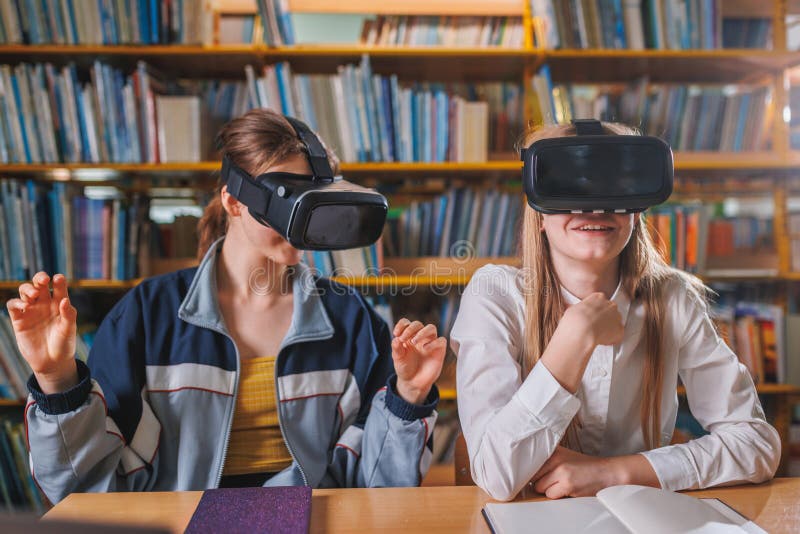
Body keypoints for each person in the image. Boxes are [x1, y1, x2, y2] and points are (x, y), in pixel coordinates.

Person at [7, 108, 446, 504]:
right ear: (233, 201)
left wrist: (408, 397)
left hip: (313, 520)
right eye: (285, 202)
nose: (301, 226)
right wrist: (56, 377)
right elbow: (82, 490)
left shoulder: (351, 320)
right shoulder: (147, 316)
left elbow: (380, 489)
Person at [451, 122, 781, 502]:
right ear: (538, 212)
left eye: (614, 186)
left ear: (637, 208)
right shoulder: (494, 295)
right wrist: (571, 346)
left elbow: (756, 444)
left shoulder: (672, 299)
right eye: (569, 187)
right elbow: (496, 475)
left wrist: (611, 473)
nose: (594, 206)